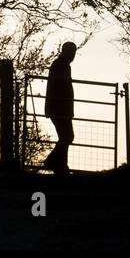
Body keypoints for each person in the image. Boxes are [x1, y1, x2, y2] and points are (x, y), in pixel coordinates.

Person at [43, 42, 76, 175]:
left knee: (65, 136)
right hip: (59, 107)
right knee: (67, 136)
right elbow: (62, 88)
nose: (73, 55)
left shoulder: (61, 64)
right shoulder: (61, 65)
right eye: (72, 52)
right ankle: (53, 162)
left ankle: (60, 166)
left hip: (60, 107)